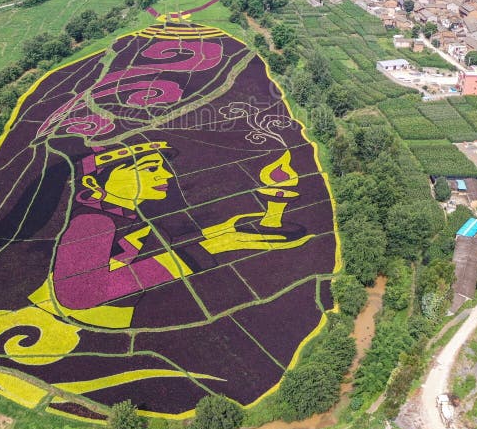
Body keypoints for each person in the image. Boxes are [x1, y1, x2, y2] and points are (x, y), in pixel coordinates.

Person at [29, 140, 311, 328]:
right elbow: (77, 295)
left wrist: (225, 229)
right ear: (93, 182)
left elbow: (151, 245)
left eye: (163, 167)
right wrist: (213, 249)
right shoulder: (93, 222)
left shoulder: (123, 214)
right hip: (92, 322)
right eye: (151, 168)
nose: (166, 175)